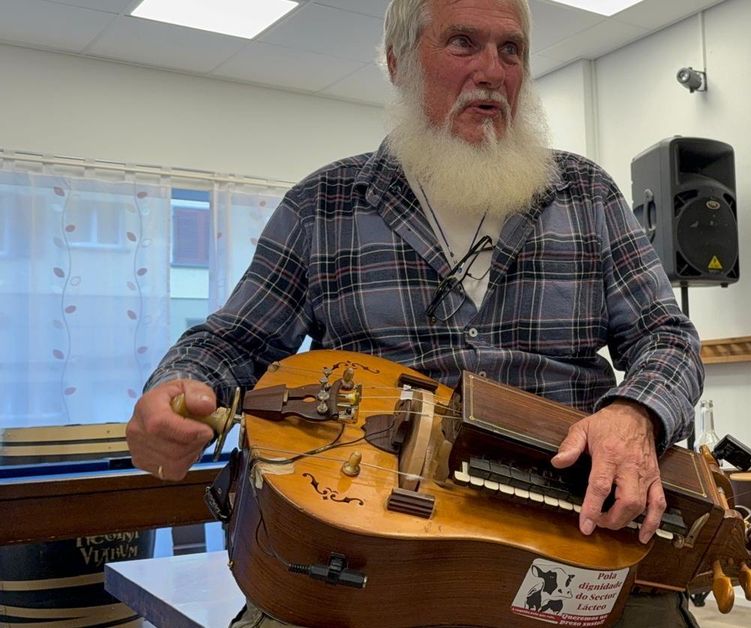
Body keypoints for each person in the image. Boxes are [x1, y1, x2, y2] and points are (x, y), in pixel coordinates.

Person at [125, 0, 703, 625]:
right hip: (374, 555)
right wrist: (175, 389)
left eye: (512, 50)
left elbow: (666, 335)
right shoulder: (325, 206)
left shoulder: (585, 194)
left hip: (568, 539)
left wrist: (635, 413)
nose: (492, 70)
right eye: (463, 43)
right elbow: (230, 344)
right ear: (400, 63)